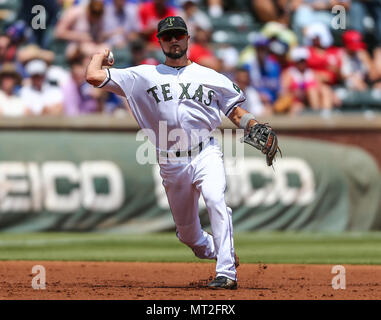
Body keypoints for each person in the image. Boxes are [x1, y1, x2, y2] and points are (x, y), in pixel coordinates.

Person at [86, 16, 277, 289]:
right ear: (160, 41)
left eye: (178, 35)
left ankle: (226, 273)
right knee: (189, 236)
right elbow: (93, 76)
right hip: (170, 161)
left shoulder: (210, 76)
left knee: (215, 199)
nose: (173, 40)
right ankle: (218, 250)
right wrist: (98, 55)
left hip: (205, 152)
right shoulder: (142, 76)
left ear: (188, 39)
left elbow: (234, 111)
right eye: (167, 36)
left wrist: (253, 124)